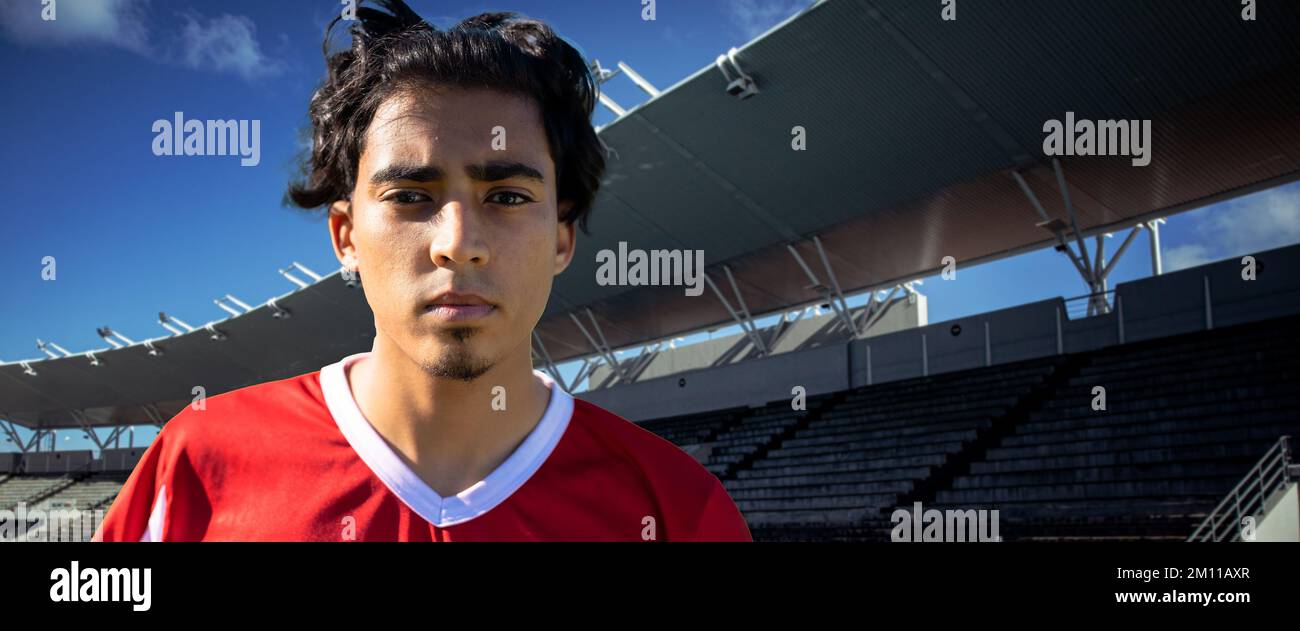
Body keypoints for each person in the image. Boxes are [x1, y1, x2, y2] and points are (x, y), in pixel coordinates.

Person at [94, 0, 750, 542]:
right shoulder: (199, 466)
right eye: (411, 197)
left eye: (508, 197)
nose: (458, 243)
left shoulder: (677, 511)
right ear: (345, 234)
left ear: (561, 237)